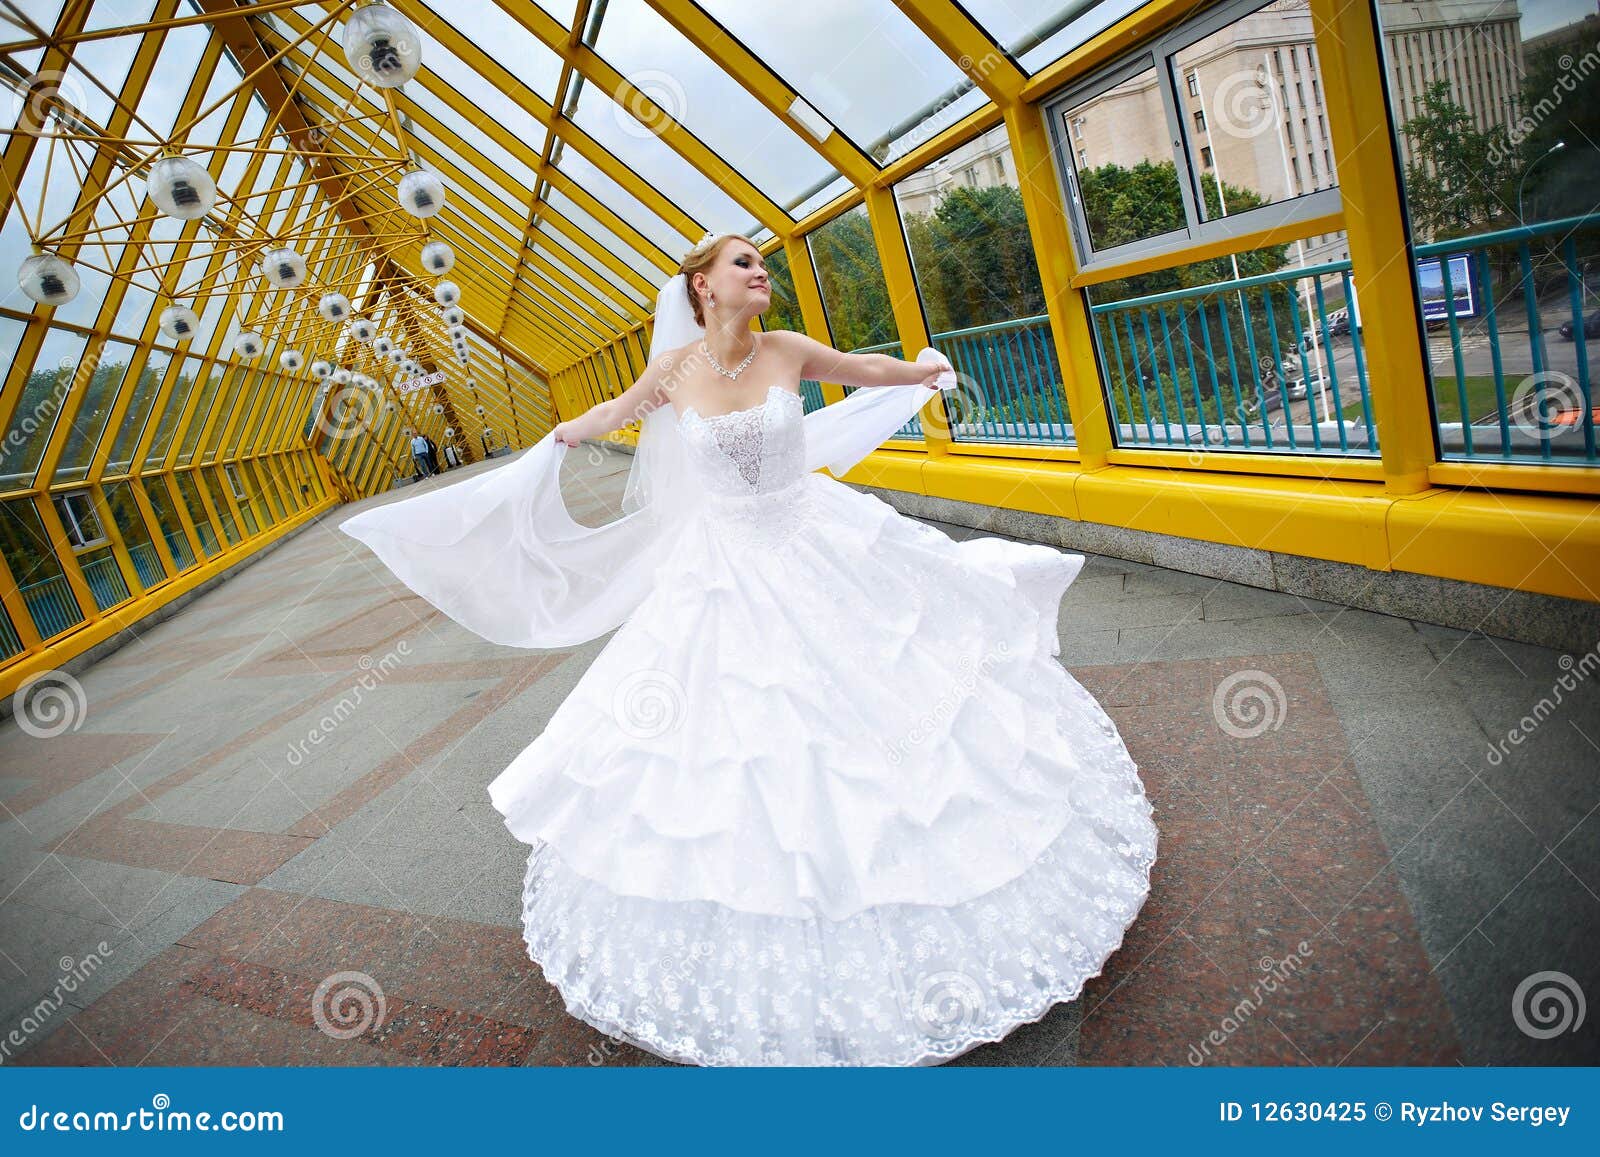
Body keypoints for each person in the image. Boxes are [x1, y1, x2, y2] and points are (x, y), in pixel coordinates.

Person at [340, 233, 1157, 1066]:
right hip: (723, 565)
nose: (761, 269)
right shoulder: (675, 371)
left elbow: (861, 369)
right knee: (731, 729)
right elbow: (617, 411)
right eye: (742, 262)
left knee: (888, 680)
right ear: (701, 286)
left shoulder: (786, 349)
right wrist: (559, 439)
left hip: (814, 539)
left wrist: (921, 372)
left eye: (762, 260)